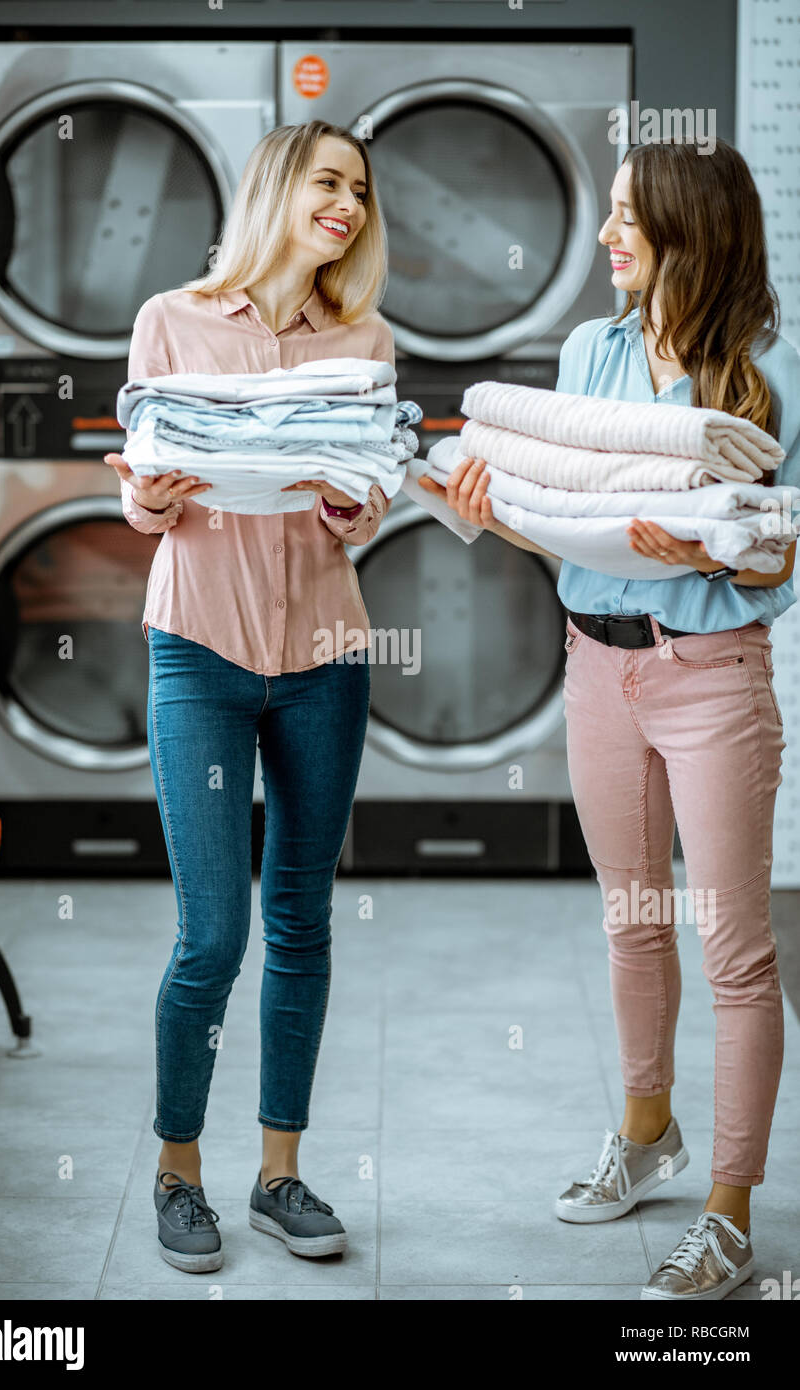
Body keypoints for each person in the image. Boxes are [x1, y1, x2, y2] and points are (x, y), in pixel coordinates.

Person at [424, 138, 799, 1301]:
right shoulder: (590, 351)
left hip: (712, 677)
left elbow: (782, 554)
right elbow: (566, 519)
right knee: (633, 920)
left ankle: (730, 1212)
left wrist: (709, 553)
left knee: (735, 954)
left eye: (630, 216)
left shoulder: (767, 372)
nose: (605, 236)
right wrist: (491, 510)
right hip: (599, 668)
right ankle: (650, 1135)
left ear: (694, 231)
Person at [104, 120, 394, 1272]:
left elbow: (368, 502)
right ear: (276, 189)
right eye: (330, 182)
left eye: (362, 191)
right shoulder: (171, 321)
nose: (350, 206)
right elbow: (141, 489)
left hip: (325, 656)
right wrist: (152, 501)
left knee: (303, 921)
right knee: (212, 933)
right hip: (202, 655)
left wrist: (350, 505)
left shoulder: (363, 337)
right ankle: (181, 1175)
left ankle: (279, 1172)